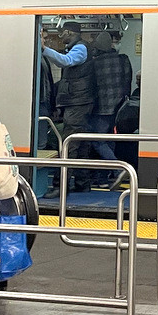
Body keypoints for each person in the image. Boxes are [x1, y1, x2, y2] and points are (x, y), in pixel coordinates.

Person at [41, 21, 96, 191]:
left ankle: (60, 186)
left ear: (69, 32)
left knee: (69, 144)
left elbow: (66, 61)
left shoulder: (80, 48)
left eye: (61, 33)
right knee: (81, 145)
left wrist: (44, 49)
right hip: (81, 101)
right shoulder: (79, 46)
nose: (60, 37)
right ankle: (82, 184)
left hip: (78, 102)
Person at [88, 31, 133, 186]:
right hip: (119, 107)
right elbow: (128, 82)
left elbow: (92, 87)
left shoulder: (95, 63)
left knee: (97, 142)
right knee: (109, 140)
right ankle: (103, 178)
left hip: (100, 108)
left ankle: (119, 169)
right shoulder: (123, 60)